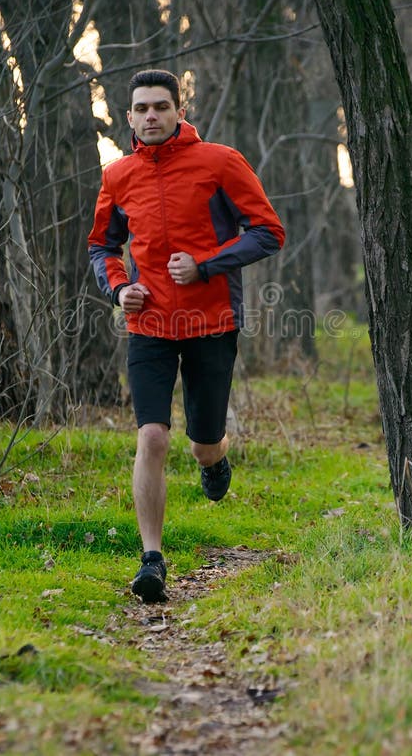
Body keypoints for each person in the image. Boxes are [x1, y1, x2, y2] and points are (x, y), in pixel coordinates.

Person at [88, 69, 285, 603]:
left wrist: (206, 266)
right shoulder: (118, 177)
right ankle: (151, 559)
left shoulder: (219, 162)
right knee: (151, 436)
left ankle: (216, 460)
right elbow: (102, 248)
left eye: (160, 107)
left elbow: (269, 232)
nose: (151, 116)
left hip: (211, 320)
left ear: (179, 110)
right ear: (128, 117)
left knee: (201, 443)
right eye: (141, 108)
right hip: (148, 324)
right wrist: (119, 288)